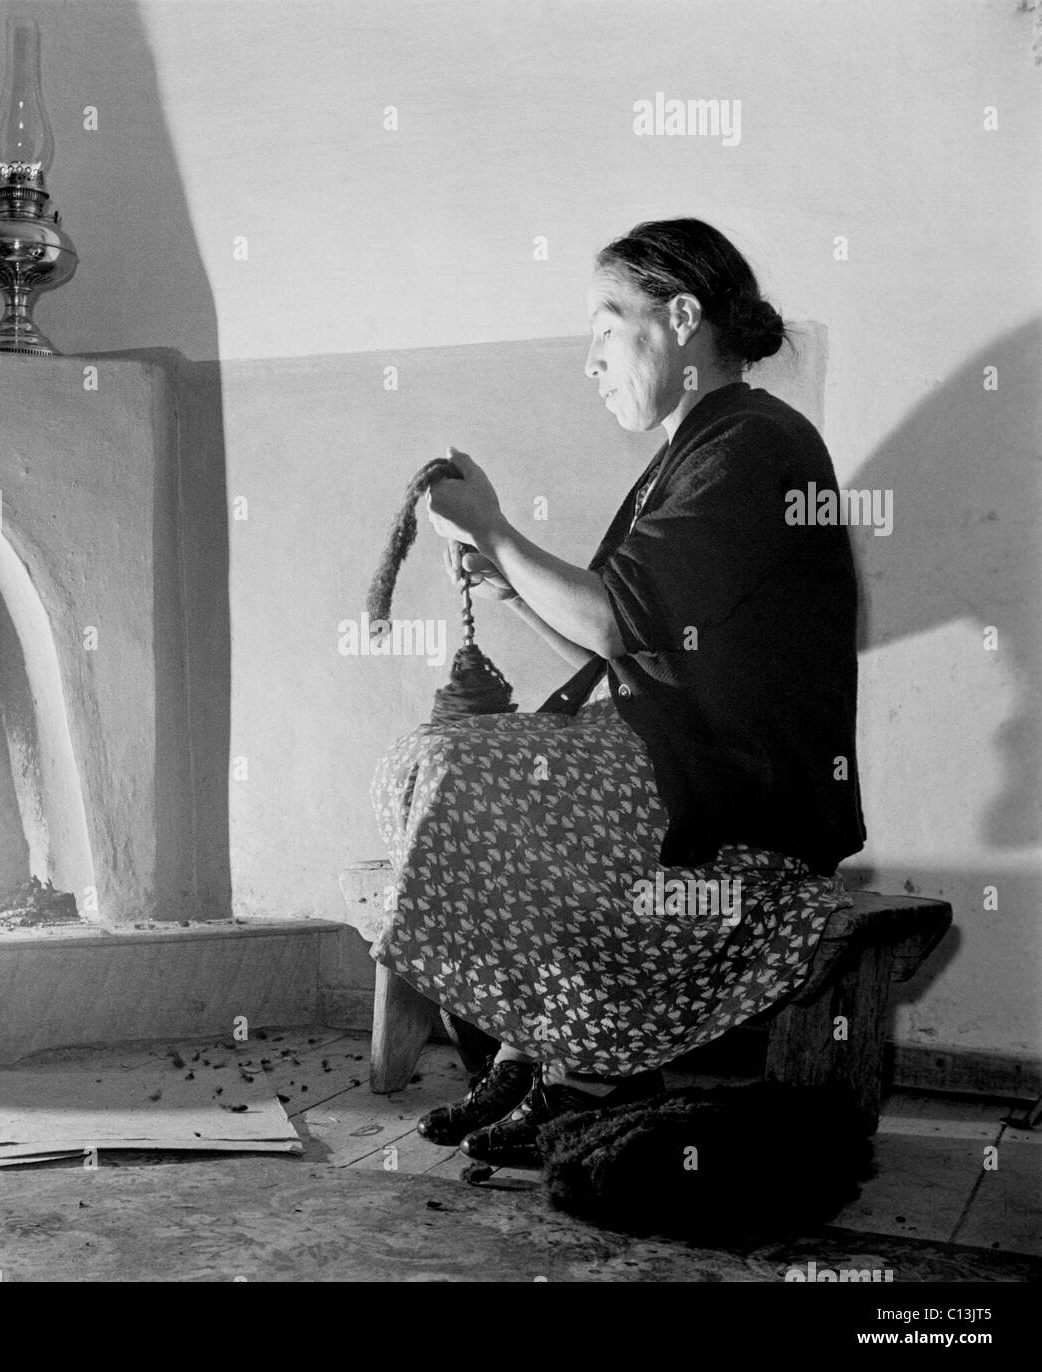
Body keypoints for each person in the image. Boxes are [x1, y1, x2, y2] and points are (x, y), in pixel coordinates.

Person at [369, 217, 866, 1169]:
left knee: (467, 769)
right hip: (683, 753)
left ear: (681, 318)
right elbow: (615, 641)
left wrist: (500, 527)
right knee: (441, 760)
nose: (591, 359)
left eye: (606, 325)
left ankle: (579, 1063)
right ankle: (547, 1043)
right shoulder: (697, 450)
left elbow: (612, 622)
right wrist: (505, 574)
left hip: (746, 790)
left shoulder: (755, 443)